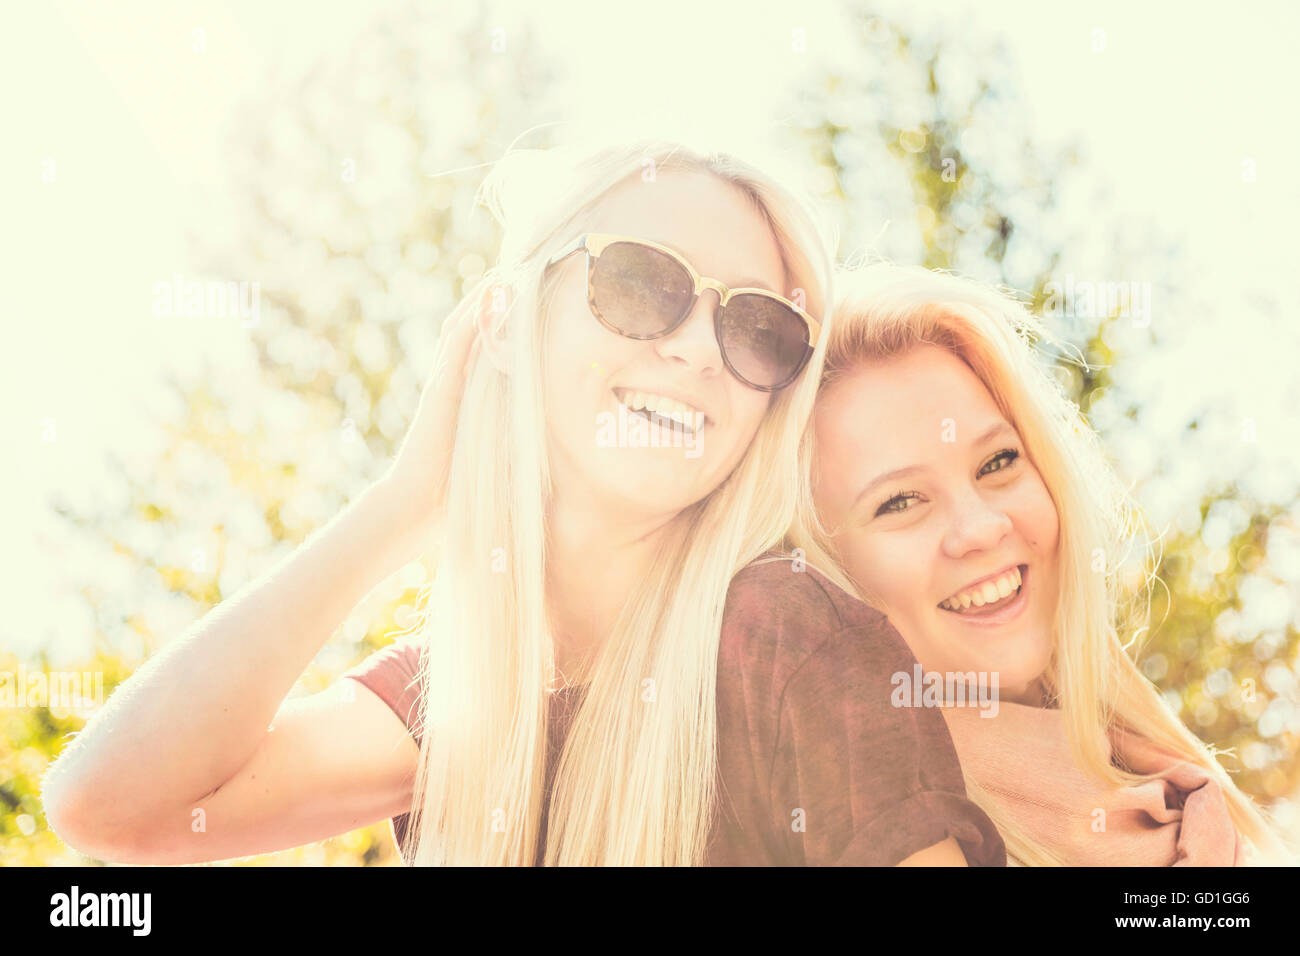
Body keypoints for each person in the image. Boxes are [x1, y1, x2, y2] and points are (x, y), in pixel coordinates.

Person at [41, 134, 1004, 866]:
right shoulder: (457, 700)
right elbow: (112, 810)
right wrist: (407, 504)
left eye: (758, 328)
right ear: (505, 320)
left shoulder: (787, 636)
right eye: (640, 280)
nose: (697, 350)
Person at [790, 260, 1292, 865]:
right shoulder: (866, 834)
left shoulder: (1177, 796)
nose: (981, 527)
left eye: (997, 462)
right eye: (899, 501)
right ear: (820, 575)